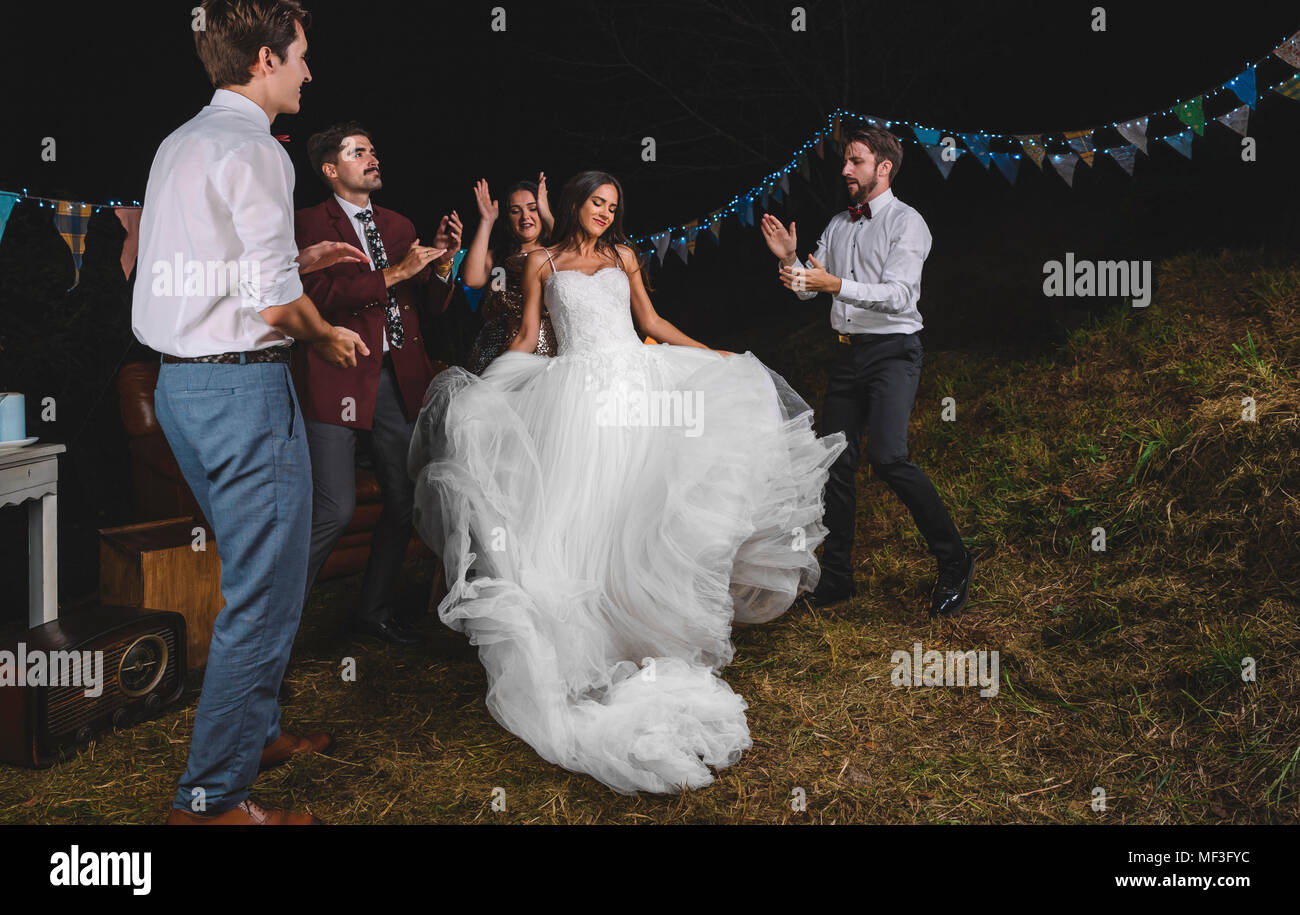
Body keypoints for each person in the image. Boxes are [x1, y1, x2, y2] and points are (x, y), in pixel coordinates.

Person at [407, 170, 846, 794]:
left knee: (644, 505)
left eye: (613, 206)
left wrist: (713, 356)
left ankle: (647, 624)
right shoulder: (541, 264)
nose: (605, 214)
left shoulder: (626, 256)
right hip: (580, 401)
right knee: (587, 514)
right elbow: (530, 338)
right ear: (575, 203)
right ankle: (592, 638)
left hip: (640, 391)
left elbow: (652, 322)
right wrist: (490, 391)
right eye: (596, 203)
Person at [133, 0, 368, 825]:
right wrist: (326, 333)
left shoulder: (183, 141)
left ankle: (255, 732)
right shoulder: (259, 153)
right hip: (240, 392)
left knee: (255, 574)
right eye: (302, 55)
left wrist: (293, 260)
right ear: (266, 57)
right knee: (263, 595)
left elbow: (188, 264)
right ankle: (209, 804)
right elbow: (275, 308)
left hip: (183, 389)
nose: (310, 70)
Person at [760, 125, 974, 616]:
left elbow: (900, 295)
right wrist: (793, 261)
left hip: (893, 351)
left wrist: (836, 282)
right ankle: (837, 579)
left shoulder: (907, 223)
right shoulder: (838, 224)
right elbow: (808, 289)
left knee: (889, 456)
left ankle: (955, 559)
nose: (844, 170)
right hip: (847, 355)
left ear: (883, 167)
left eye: (854, 160)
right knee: (835, 462)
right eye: (844, 160)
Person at [294, 121, 461, 646]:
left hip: (397, 379)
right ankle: (275, 628)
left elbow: (428, 307)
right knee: (335, 509)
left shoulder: (397, 222)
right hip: (334, 374)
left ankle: (374, 611)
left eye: (373, 150)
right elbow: (314, 298)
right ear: (330, 169)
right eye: (358, 151)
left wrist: (439, 266)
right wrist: (394, 273)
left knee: (403, 498)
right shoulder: (306, 224)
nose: (372, 158)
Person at [462, 175, 558, 373]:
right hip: (492, 349)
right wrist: (487, 221)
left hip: (540, 354)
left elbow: (574, 250)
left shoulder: (556, 254)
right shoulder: (499, 257)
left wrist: (547, 213)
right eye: (516, 211)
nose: (525, 217)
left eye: (533, 208)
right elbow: (472, 280)